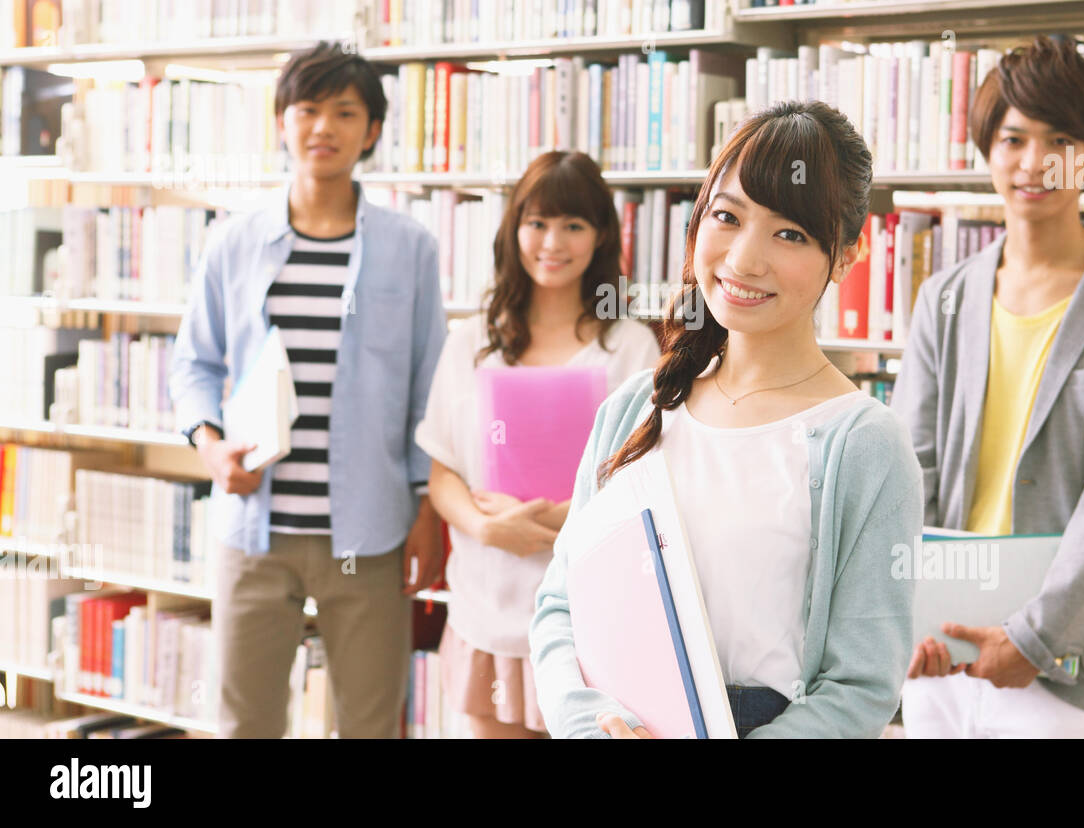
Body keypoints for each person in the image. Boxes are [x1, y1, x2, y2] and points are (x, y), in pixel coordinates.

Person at [529, 101, 924, 739]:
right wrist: (587, 728)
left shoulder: (865, 445)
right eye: (727, 216)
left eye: (789, 233)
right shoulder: (634, 408)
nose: (743, 260)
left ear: (847, 256)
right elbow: (559, 606)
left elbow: (861, 686)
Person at [891, 35, 1084, 738]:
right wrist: (903, 614)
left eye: (1060, 140)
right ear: (986, 149)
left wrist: (1034, 638)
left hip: (1063, 664)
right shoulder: (944, 298)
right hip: (942, 648)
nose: (1034, 164)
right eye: (1013, 138)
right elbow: (910, 470)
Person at [169, 41, 448, 738]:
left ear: (372, 131)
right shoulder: (233, 241)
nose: (323, 127)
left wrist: (424, 510)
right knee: (246, 722)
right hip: (254, 532)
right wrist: (209, 447)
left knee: (370, 723)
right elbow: (193, 364)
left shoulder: (408, 247)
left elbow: (429, 388)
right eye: (308, 109)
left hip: (370, 532)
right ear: (282, 121)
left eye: (345, 113)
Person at [414, 150, 661, 739]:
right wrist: (484, 527)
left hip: (590, 615)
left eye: (573, 225)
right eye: (538, 223)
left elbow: (647, 476)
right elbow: (442, 469)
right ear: (514, 229)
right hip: (487, 602)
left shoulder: (628, 346)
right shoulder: (474, 340)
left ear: (600, 236)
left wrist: (565, 518)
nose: (553, 242)